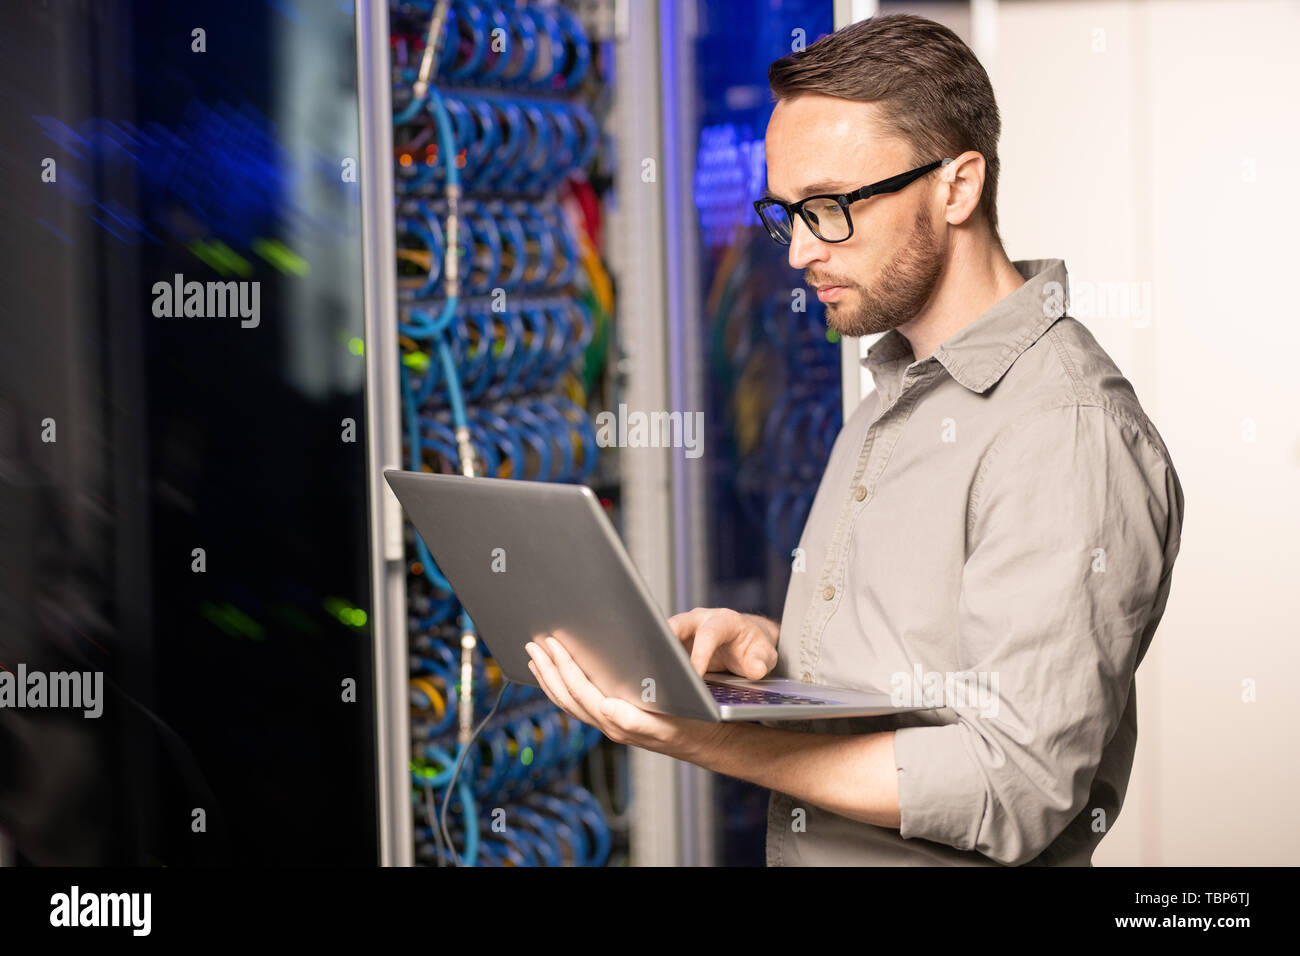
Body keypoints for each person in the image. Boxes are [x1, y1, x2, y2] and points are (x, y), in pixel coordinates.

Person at [525, 12, 1184, 866]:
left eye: (830, 207)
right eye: (787, 212)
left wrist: (698, 736)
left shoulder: (1065, 432)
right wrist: (765, 656)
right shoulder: (895, 387)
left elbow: (1011, 783)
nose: (799, 250)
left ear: (957, 187)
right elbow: (912, 673)